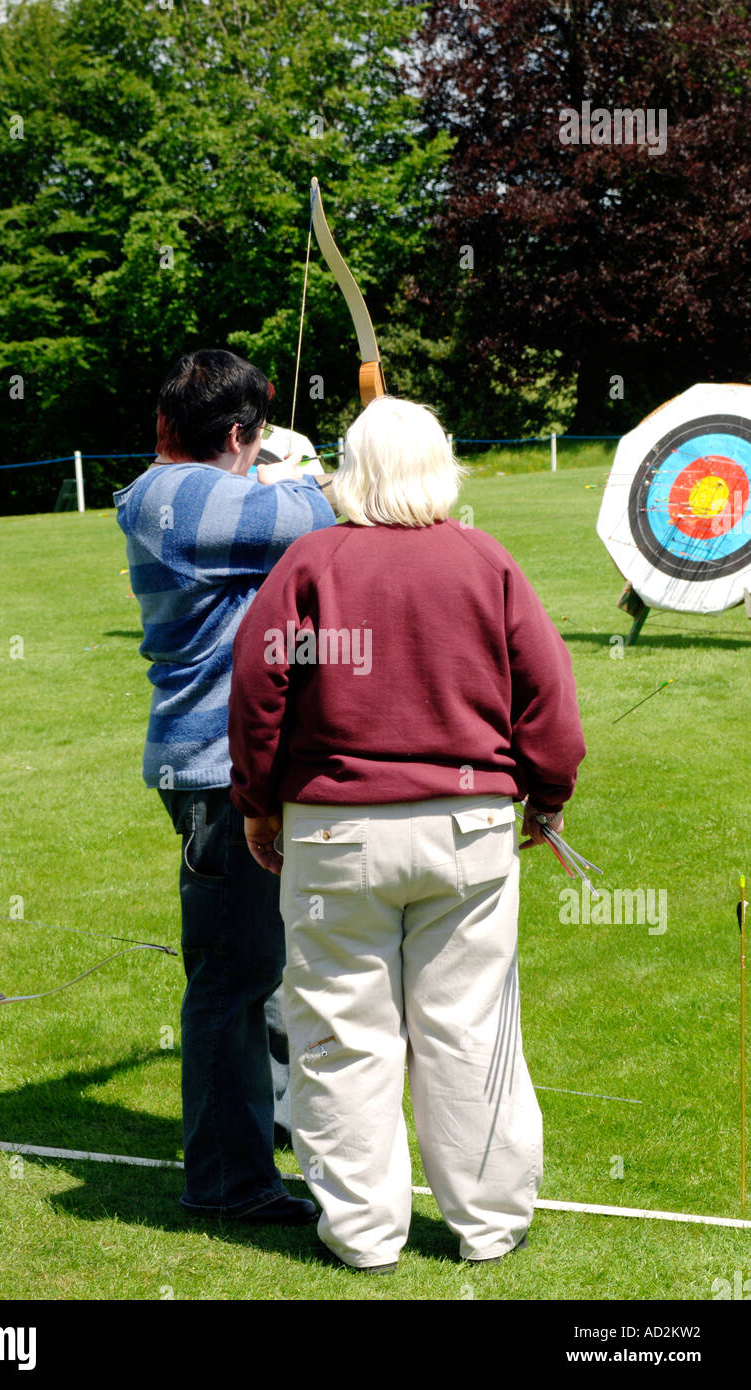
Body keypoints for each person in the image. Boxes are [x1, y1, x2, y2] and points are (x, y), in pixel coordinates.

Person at [227, 395, 586, 1267]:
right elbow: (549, 694)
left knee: (344, 1035)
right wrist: (547, 793)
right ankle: (489, 1223)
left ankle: (362, 1233)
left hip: (337, 829)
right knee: (468, 1029)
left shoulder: (313, 562)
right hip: (464, 828)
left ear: (352, 473)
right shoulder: (483, 560)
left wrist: (259, 803)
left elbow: (257, 692)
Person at [113, 348, 337, 1222]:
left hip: (229, 763)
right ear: (238, 434)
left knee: (264, 967)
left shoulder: (199, 488)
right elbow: (318, 519)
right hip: (218, 771)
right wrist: (312, 466)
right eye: (254, 439)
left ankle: (265, 1130)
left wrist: (279, 463)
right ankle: (227, 1182)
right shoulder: (178, 496)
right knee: (233, 976)